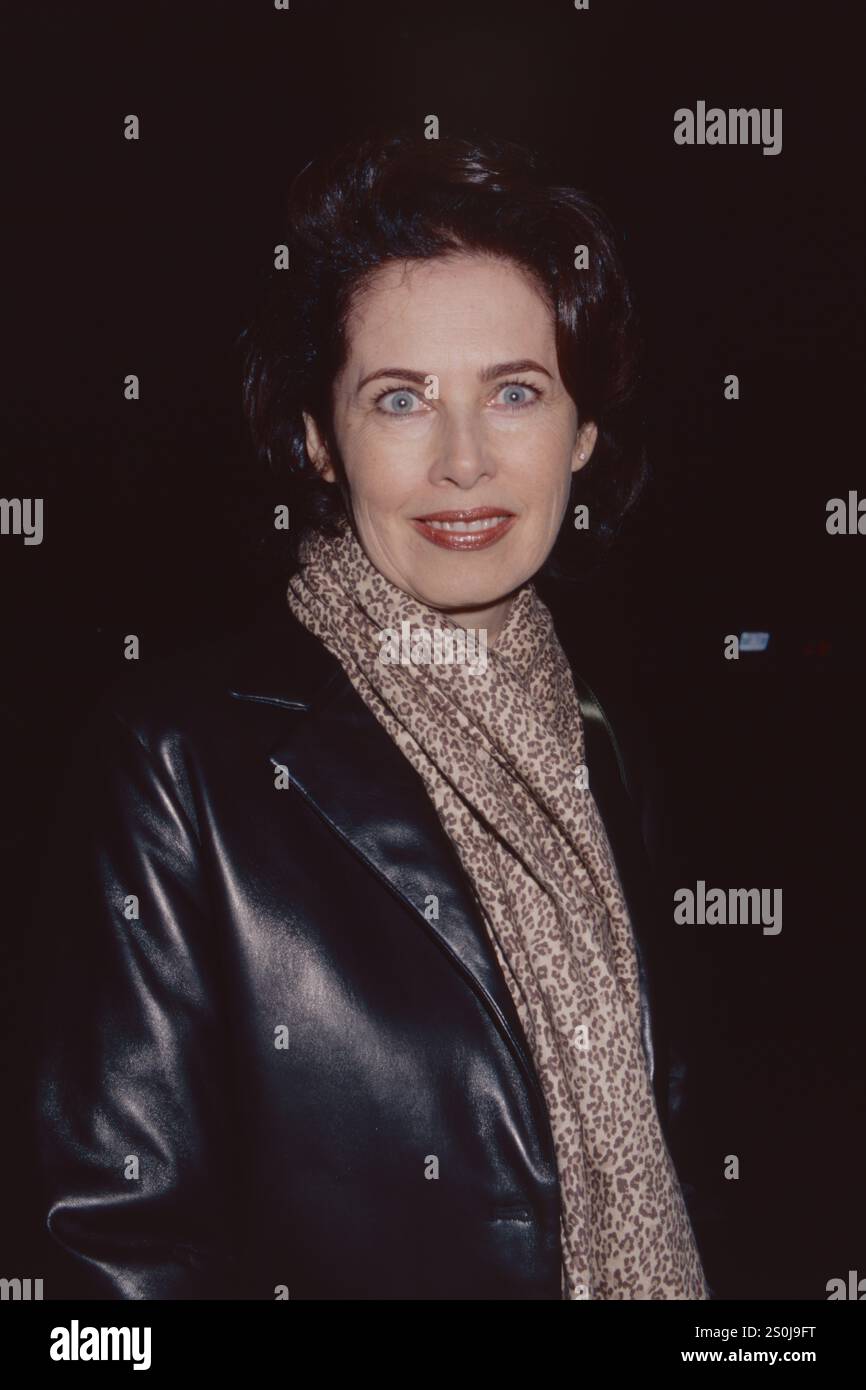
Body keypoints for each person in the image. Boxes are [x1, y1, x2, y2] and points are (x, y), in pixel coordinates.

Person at [33, 127, 711, 1300]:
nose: (464, 460)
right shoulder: (182, 760)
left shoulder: (597, 739)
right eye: (400, 399)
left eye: (514, 391)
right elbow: (109, 1257)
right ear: (317, 442)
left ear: (581, 436)